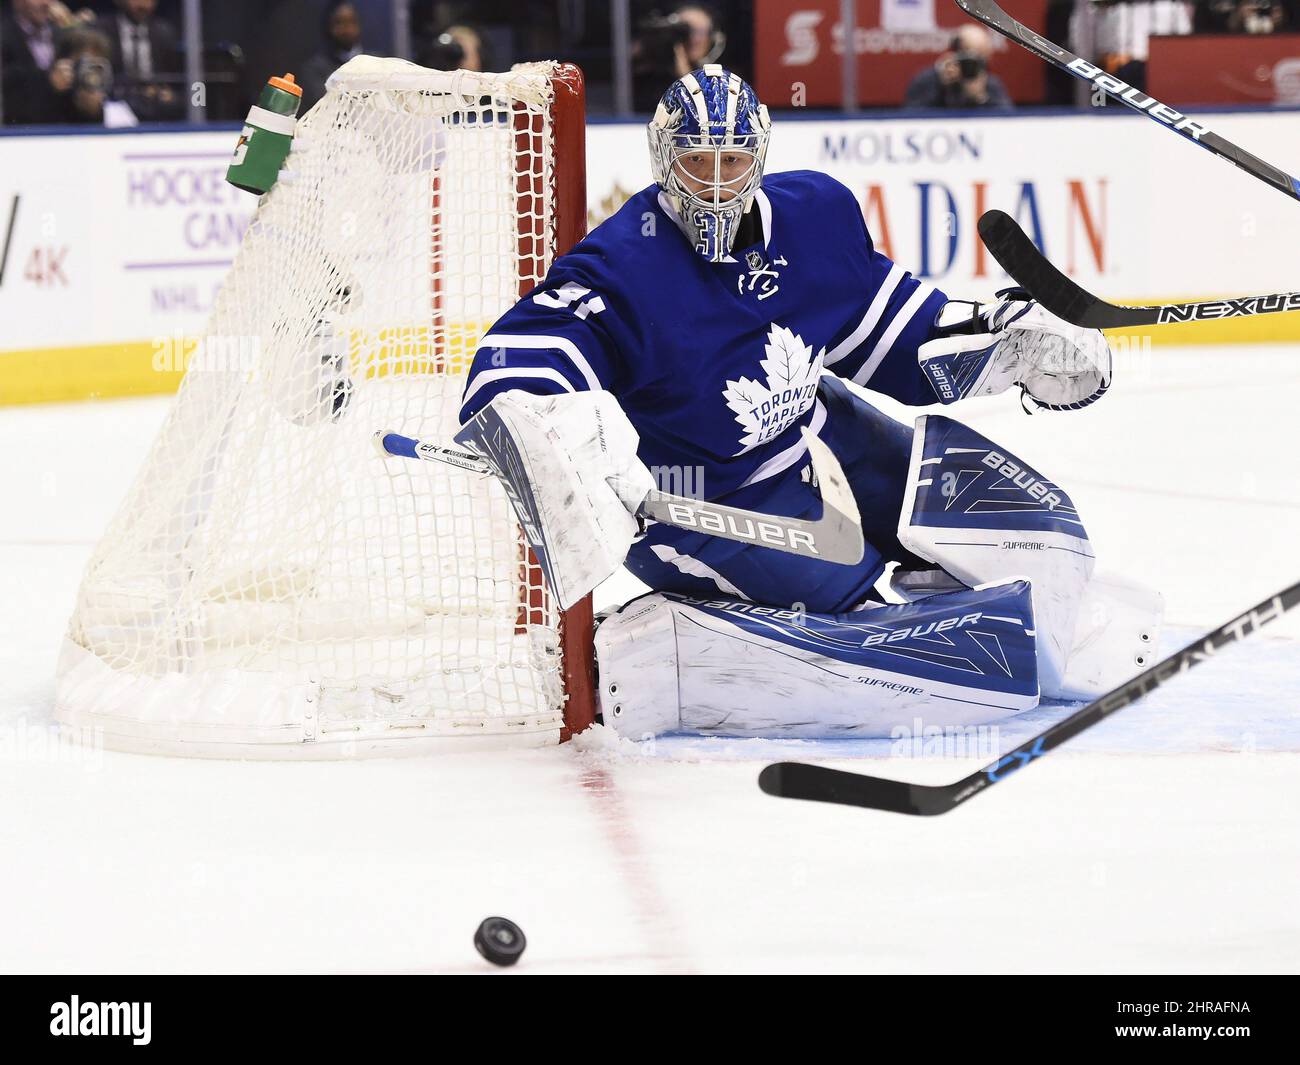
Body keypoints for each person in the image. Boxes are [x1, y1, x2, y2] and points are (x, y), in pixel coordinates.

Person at [453, 67, 1162, 739]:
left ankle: (1025, 622)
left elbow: (901, 336)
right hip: (703, 501)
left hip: (815, 429)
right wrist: (543, 426)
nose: (717, 185)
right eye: (698, 163)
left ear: (760, 154)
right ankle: (674, 657)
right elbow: (517, 364)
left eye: (734, 162)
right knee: (909, 650)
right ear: (662, 160)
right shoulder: (623, 267)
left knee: (1031, 521)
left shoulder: (814, 216)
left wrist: (1008, 340)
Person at [93, 0, 182, 121]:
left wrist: (169, 94)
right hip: (113, 103)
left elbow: (174, 76)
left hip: (156, 106)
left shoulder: (164, 32)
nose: (144, 5)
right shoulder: (100, 30)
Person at [904, 24, 1013, 109]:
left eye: (981, 60)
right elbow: (910, 118)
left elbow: (1009, 122)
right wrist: (941, 86)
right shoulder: (927, 80)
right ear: (955, 52)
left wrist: (981, 98)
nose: (973, 64)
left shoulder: (990, 84)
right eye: (968, 58)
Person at [298, 1, 364, 110]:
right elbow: (324, 105)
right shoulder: (315, 69)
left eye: (351, 21)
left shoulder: (377, 63)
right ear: (329, 27)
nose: (346, 29)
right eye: (339, 22)